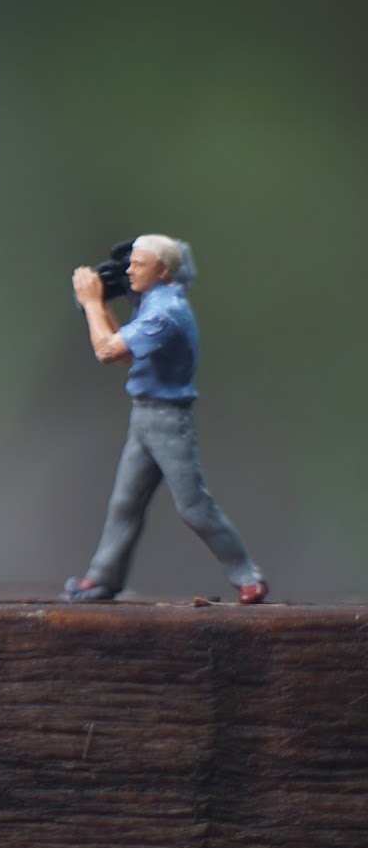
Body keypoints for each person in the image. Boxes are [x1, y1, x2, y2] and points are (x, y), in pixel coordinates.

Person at [64, 234, 267, 604]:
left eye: (137, 264)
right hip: (143, 417)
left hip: (167, 422)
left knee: (193, 508)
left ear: (162, 270)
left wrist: (92, 302)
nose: (129, 270)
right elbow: (126, 351)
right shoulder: (153, 301)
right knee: (125, 503)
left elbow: (107, 352)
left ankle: (248, 575)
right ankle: (103, 577)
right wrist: (102, 306)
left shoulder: (165, 313)